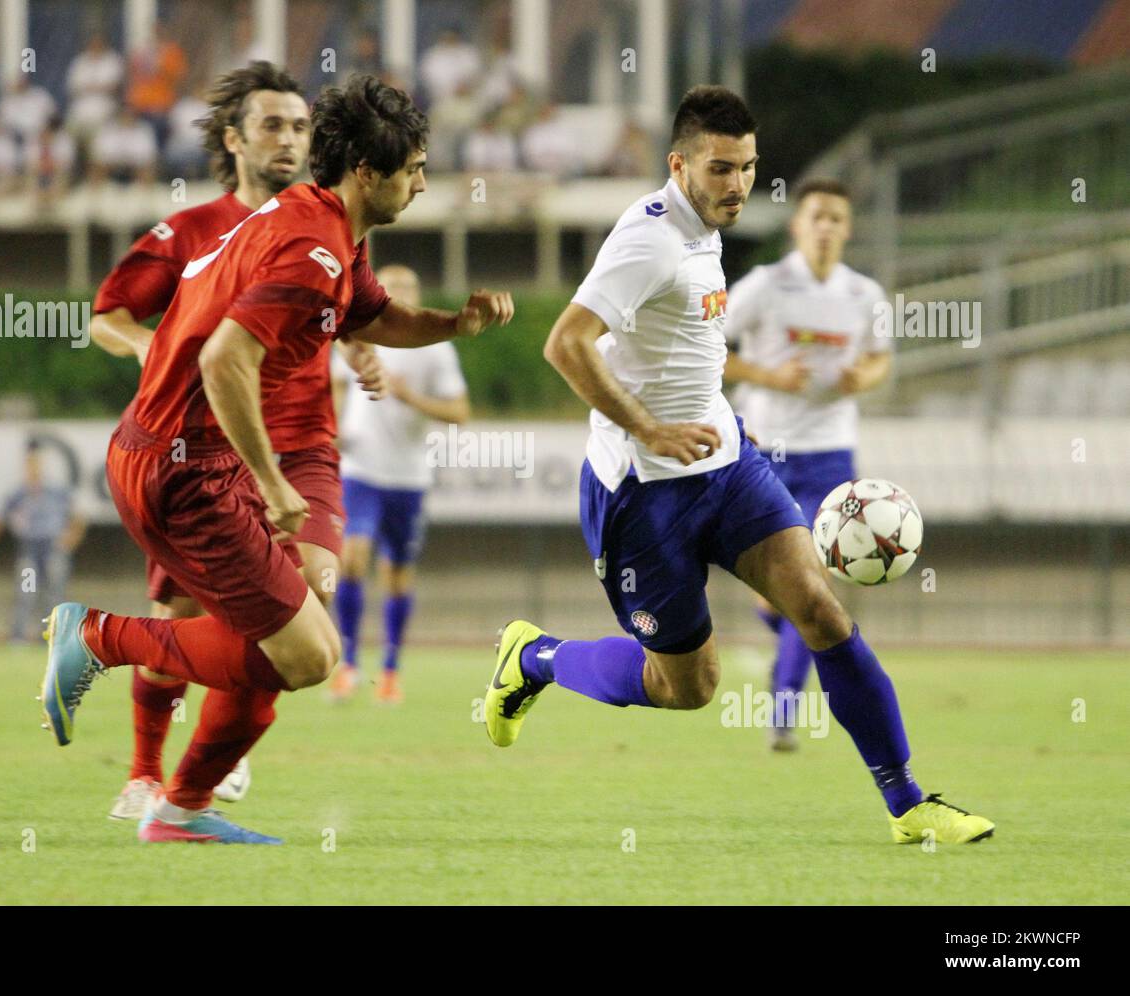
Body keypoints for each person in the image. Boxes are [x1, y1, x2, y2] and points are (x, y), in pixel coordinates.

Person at [482, 86, 994, 845]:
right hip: (641, 496)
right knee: (686, 688)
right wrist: (647, 427)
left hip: (727, 466)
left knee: (819, 610)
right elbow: (567, 343)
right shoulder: (647, 238)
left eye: (749, 168)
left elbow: (687, 350)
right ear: (679, 163)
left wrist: (713, 415)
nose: (738, 185)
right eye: (721, 169)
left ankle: (908, 802)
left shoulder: (705, 233)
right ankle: (536, 659)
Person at [44, 75, 512, 846]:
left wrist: (453, 325)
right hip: (184, 468)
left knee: (306, 641)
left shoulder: (326, 225)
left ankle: (183, 807)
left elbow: (371, 316)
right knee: (301, 654)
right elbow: (224, 362)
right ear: (368, 170)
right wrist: (270, 483)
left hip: (177, 457)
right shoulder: (309, 243)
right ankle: (97, 642)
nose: (424, 182)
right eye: (416, 167)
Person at [91, 61, 388, 820]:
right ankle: (145, 776)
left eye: (300, 126)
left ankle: (205, 780)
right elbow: (108, 315)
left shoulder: (327, 224)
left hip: (298, 446)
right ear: (234, 138)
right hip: (199, 447)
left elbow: (345, 311)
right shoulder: (191, 229)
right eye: (272, 125)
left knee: (304, 606)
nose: (289, 140)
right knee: (184, 618)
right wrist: (152, 349)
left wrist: (360, 345)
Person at [722, 178, 892, 751]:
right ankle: (780, 626)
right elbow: (708, 348)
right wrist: (769, 376)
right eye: (817, 215)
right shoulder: (767, 286)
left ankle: (782, 712)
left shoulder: (865, 294)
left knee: (814, 580)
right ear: (798, 225)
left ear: (847, 229)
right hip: (766, 451)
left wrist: (860, 378)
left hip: (832, 454)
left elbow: (879, 359)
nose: (826, 227)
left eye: (837, 219)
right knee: (781, 599)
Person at [329, 265, 471, 704]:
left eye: (410, 287)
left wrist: (411, 397)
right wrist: (333, 431)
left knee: (395, 575)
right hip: (360, 467)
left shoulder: (434, 349)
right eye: (393, 288)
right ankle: (349, 663)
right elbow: (336, 387)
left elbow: (459, 412)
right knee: (351, 558)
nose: (403, 294)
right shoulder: (358, 334)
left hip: (408, 475)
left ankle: (390, 670)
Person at [0, 442, 86, 642]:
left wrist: (71, 538)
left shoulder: (56, 491)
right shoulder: (18, 494)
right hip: (29, 550)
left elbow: (79, 516)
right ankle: (19, 636)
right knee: (27, 592)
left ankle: (53, 637)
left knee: (54, 593)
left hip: (53, 549)